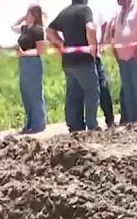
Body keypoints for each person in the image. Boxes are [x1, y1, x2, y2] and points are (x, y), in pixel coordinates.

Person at [47, 0, 100, 132]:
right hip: (83, 59)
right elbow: (91, 28)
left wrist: (61, 44)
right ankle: (92, 124)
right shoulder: (85, 10)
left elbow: (49, 31)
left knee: (73, 93)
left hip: (68, 60)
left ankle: (74, 125)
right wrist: (93, 47)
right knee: (92, 92)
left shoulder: (65, 12)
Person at [105, 0, 137, 124]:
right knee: (128, 89)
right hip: (123, 57)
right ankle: (133, 120)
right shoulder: (120, 11)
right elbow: (114, 31)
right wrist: (114, 47)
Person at [12, 5, 47, 134]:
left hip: (33, 62)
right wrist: (22, 18)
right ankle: (30, 123)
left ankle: (39, 124)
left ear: (34, 15)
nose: (26, 15)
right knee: (26, 93)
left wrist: (24, 53)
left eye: (28, 13)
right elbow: (12, 27)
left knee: (35, 93)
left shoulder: (38, 30)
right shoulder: (25, 29)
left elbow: (40, 51)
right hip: (24, 62)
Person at [91, 3, 117, 129]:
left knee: (103, 87)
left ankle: (110, 120)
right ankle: (90, 122)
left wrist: (102, 42)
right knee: (90, 90)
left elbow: (105, 24)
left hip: (96, 56)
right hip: (84, 56)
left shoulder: (95, 9)